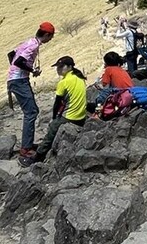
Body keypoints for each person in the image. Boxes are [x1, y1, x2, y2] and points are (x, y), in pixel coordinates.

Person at [7, 22, 55, 161]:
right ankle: (26, 148)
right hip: (19, 81)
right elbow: (18, 61)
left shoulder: (29, 41)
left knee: (31, 111)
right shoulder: (34, 46)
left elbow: (11, 55)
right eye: (51, 37)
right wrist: (32, 70)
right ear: (46, 35)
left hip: (16, 79)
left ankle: (27, 144)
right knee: (31, 112)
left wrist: (17, 70)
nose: (51, 39)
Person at [25, 56, 88, 162]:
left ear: (69, 67)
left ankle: (39, 155)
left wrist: (54, 117)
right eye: (58, 67)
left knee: (52, 129)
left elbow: (57, 103)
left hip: (71, 116)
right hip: (82, 115)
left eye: (61, 67)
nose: (58, 69)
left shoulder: (64, 82)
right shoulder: (79, 77)